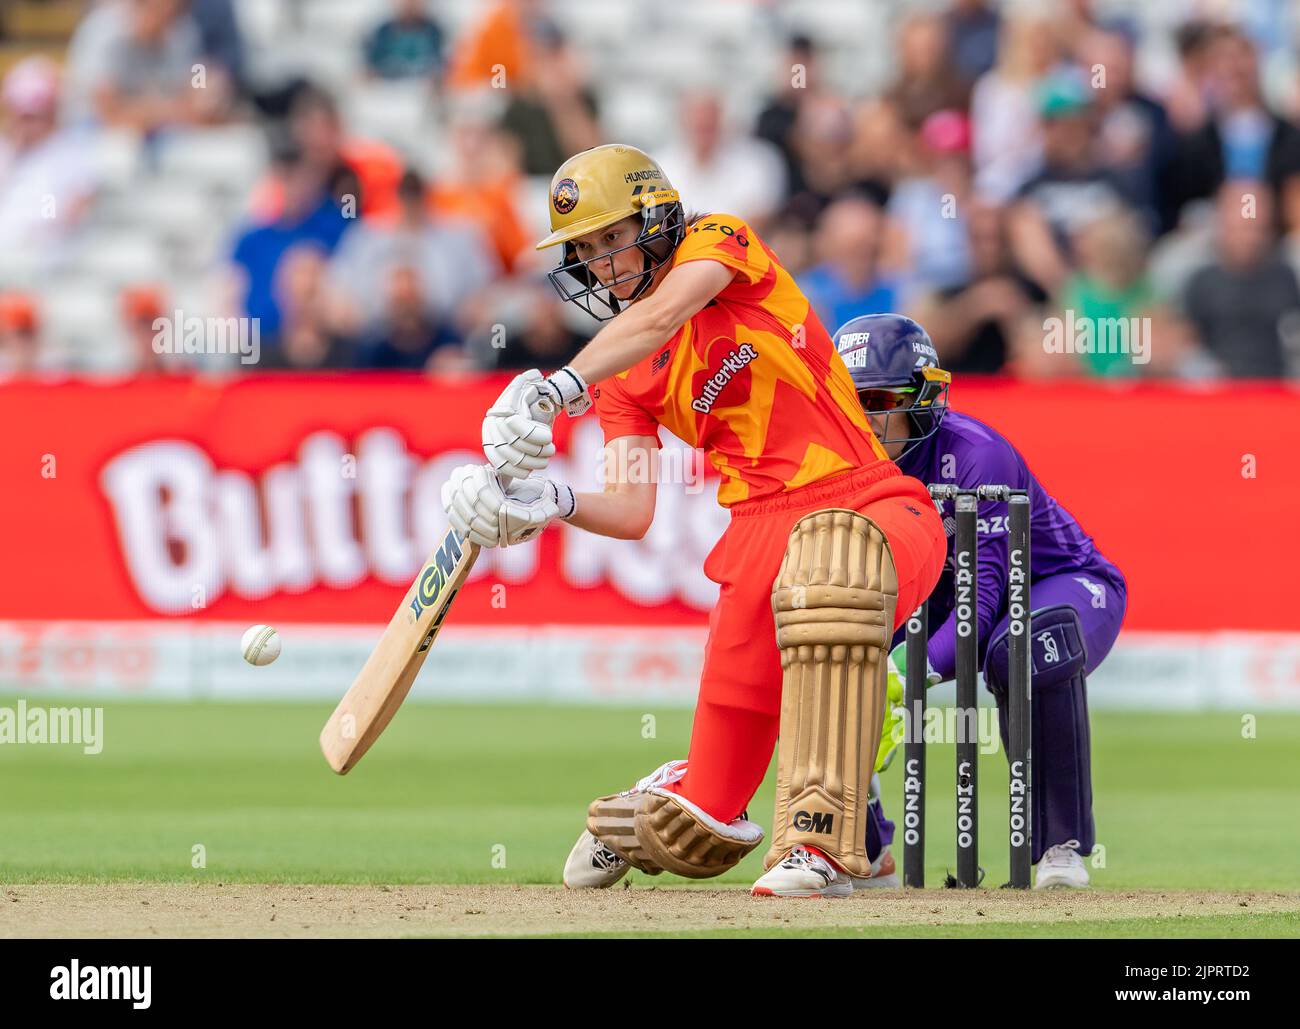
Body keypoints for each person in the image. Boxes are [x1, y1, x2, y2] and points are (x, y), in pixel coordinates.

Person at [441, 144, 947, 898]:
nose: (599, 265)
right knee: (708, 811)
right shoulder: (625, 381)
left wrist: (560, 387)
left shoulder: (721, 242)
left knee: (830, 581)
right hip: (755, 547)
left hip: (872, 503)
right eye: (582, 251)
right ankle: (672, 786)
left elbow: (666, 311)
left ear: (656, 217)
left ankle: (823, 843)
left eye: (610, 239)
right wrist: (550, 503)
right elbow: (633, 508)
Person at [837, 313, 1127, 889]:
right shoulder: (840, 460)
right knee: (841, 661)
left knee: (1024, 648)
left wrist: (902, 675)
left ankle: (1059, 849)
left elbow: (985, 597)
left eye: (877, 399)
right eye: (851, 400)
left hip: (1055, 583)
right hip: (938, 597)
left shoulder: (976, 455)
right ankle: (864, 848)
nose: (863, 419)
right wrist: (875, 671)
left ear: (922, 397)